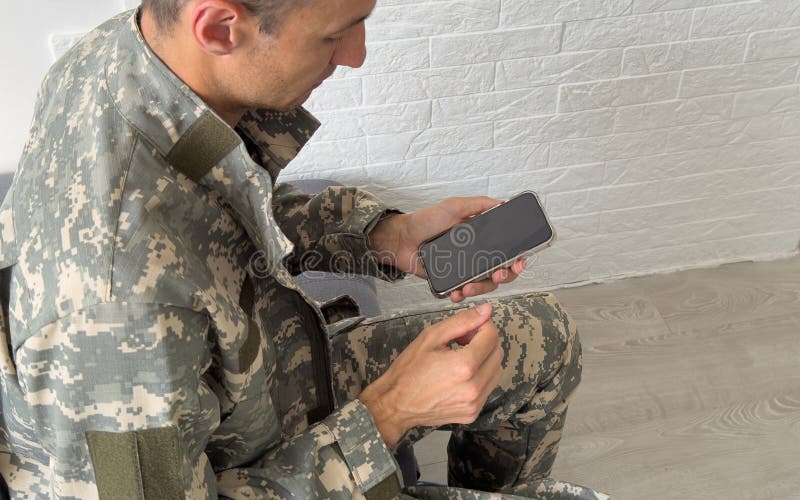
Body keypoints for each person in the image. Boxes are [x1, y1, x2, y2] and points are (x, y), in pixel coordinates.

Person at [0, 0, 606, 498]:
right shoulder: (117, 319)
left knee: (544, 336)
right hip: (241, 462)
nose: (357, 55)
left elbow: (221, 216)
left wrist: (380, 237)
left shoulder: (122, 56)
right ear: (218, 27)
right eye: (335, 36)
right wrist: (391, 413)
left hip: (259, 391)